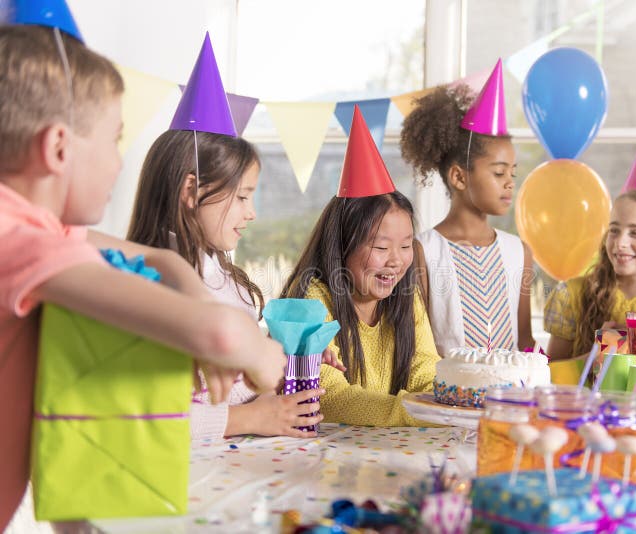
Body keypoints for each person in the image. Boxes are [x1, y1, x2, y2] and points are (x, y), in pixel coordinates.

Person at [0, 25, 285, 530]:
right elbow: (218, 333)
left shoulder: (28, 229)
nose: (118, 162)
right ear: (59, 148)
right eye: (114, 141)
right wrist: (260, 354)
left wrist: (190, 287)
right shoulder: (21, 242)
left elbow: (156, 260)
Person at [128, 130, 344, 439]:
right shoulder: (153, 289)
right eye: (242, 196)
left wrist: (286, 359)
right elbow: (146, 413)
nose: (252, 212)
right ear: (191, 190)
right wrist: (249, 419)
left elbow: (236, 385)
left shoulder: (225, 279)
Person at [281, 106, 440, 426]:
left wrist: (444, 400)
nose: (396, 260)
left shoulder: (405, 297)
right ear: (342, 244)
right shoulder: (311, 302)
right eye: (381, 247)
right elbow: (331, 397)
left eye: (406, 245)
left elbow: (427, 373)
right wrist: (417, 410)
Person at [400, 59, 537, 355]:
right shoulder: (424, 250)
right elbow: (419, 348)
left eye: (512, 173)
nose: (510, 183)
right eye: (499, 173)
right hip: (445, 399)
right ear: (459, 177)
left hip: (510, 399)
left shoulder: (519, 252)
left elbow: (525, 342)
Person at [544, 129, 636, 359]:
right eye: (614, 230)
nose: (620, 242)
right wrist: (595, 356)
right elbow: (549, 378)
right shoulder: (573, 296)